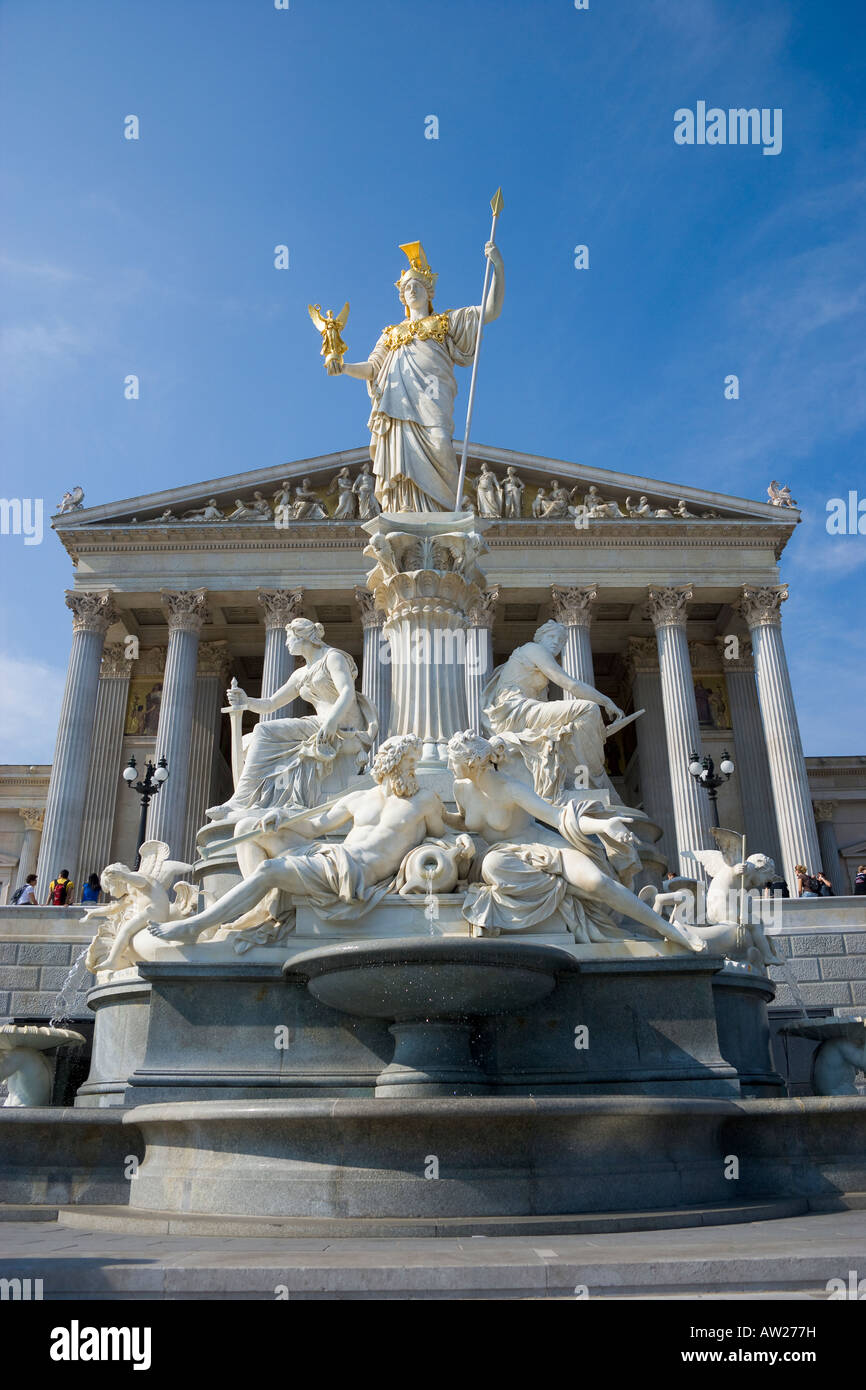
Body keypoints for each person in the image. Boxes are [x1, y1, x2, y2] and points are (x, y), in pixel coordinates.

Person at [151, 735, 446, 945]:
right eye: (410, 760)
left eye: (416, 762)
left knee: (269, 870)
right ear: (391, 762)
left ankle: (199, 925)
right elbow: (314, 827)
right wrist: (279, 815)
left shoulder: (425, 801)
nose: (414, 768)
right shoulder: (359, 798)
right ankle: (267, 904)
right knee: (248, 827)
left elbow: (444, 834)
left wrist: (457, 847)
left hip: (353, 874)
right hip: (332, 857)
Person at [444, 731, 707, 952]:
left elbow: (559, 817)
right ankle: (566, 889)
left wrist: (604, 824)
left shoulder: (511, 788)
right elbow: (463, 820)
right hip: (505, 857)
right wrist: (439, 815)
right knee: (492, 864)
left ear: (471, 762)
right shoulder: (461, 788)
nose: (448, 766)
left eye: (453, 761)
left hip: (543, 846)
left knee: (597, 882)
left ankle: (669, 930)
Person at [332, 240, 504, 513]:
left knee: (439, 443)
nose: (411, 290)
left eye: (417, 286)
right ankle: (405, 508)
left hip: (433, 398)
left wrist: (497, 266)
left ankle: (444, 513)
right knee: (401, 454)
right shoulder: (390, 334)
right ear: (401, 296)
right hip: (398, 403)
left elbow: (491, 311)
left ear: (429, 292)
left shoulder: (445, 322)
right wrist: (343, 367)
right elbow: (373, 368)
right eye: (406, 288)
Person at [207, 617, 378, 820]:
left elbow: (348, 692)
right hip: (319, 724)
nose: (286, 643)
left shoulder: (332, 658)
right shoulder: (301, 674)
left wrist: (332, 722)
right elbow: (271, 703)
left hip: (342, 725)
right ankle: (256, 800)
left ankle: (240, 801)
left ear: (302, 637)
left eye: (289, 638)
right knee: (252, 739)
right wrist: (246, 700)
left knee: (263, 731)